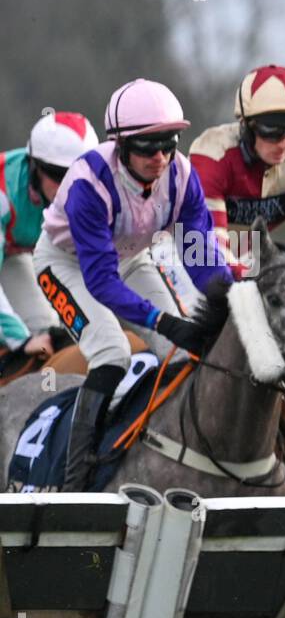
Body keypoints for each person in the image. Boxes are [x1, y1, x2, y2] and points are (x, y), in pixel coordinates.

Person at [35, 78, 233, 490]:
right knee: (112, 353)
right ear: (120, 144)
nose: (160, 157)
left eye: (169, 143)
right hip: (68, 263)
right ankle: (76, 480)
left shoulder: (182, 175)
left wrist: (232, 299)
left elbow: (200, 257)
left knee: (181, 354)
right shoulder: (90, 182)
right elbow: (102, 282)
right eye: (147, 147)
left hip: (130, 257)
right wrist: (160, 321)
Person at [189, 65, 285, 295]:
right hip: (189, 257)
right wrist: (258, 283)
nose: (284, 144)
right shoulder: (212, 154)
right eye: (272, 131)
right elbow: (208, 244)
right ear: (246, 126)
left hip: (244, 261)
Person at [0, 111, 98, 360]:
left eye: (78, 177)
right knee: (21, 339)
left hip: (11, 254)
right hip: (10, 249)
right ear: (34, 166)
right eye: (59, 175)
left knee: (44, 328)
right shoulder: (3, 194)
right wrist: (20, 341)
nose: (69, 188)